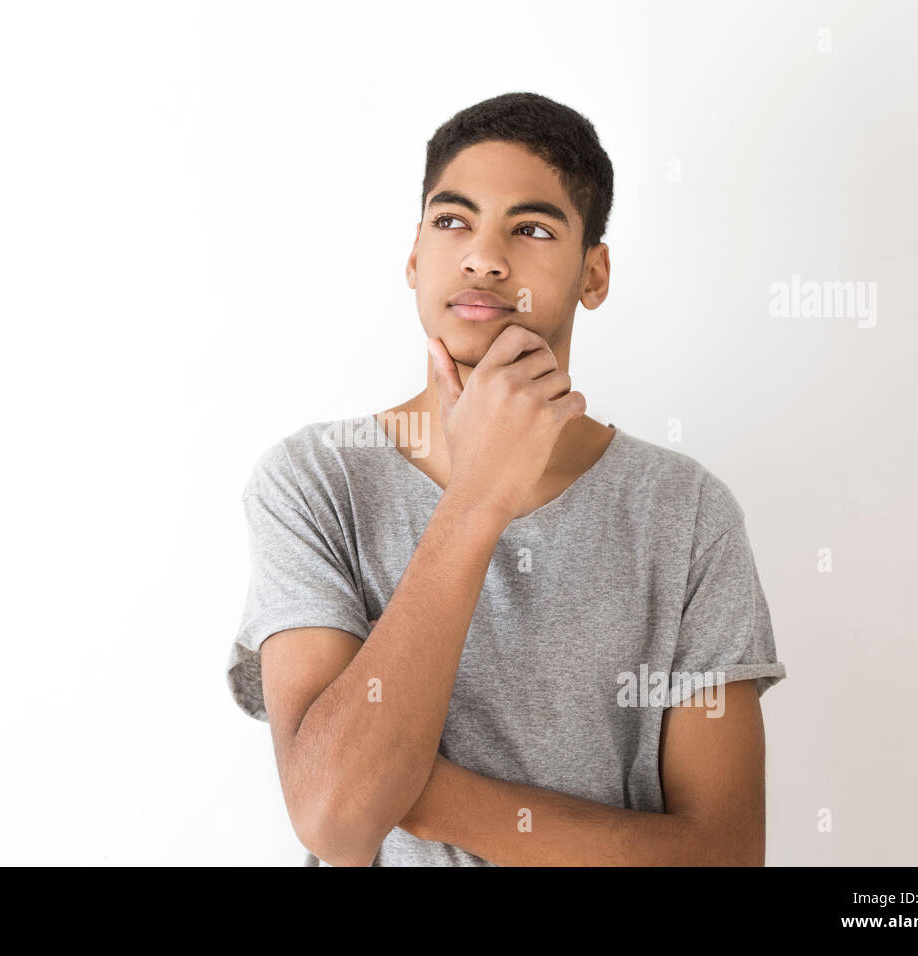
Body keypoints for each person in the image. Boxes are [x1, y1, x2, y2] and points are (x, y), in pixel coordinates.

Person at [226, 91, 787, 866]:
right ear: (415, 257)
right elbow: (335, 819)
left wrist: (416, 789)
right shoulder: (315, 481)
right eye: (452, 220)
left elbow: (723, 857)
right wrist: (477, 500)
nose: (484, 256)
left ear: (595, 273)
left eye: (530, 229)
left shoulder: (686, 513)